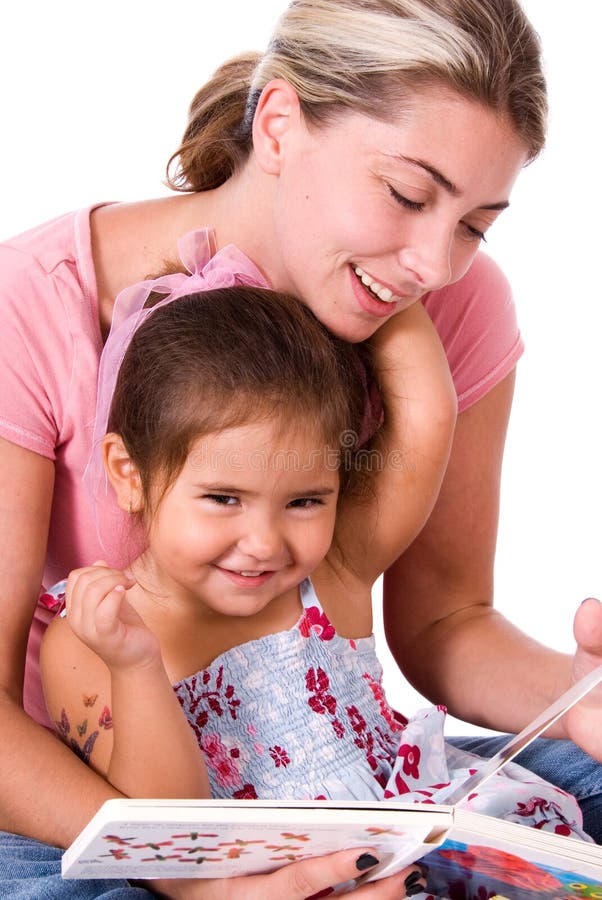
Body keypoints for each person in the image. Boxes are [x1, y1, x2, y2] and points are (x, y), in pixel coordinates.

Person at [0, 0, 600, 894]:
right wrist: (209, 876)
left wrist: (581, 700)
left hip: (337, 775)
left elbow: (443, 622)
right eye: (406, 194)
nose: (436, 264)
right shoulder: (28, 308)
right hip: (93, 797)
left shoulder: (445, 301)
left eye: (477, 223)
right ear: (277, 123)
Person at [38, 279, 587, 900]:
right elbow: (166, 831)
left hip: (420, 847)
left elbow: (428, 414)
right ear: (127, 474)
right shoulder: (93, 637)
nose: (266, 543)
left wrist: (381, 274)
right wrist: (135, 666)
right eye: (224, 499)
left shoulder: (335, 568)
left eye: (304, 501)